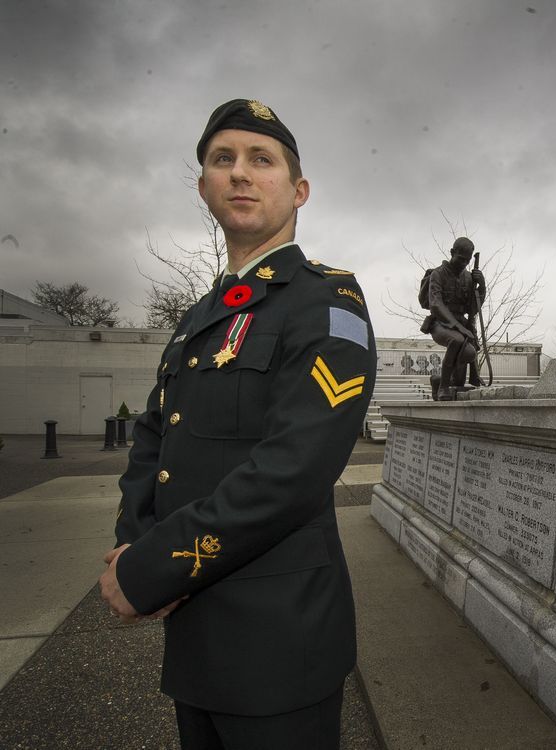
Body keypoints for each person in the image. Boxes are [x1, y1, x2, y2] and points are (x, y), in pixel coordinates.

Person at [99, 98, 376, 749]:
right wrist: (130, 540)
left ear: (298, 189)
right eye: (223, 160)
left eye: (262, 159)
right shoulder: (203, 314)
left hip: (279, 644)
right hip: (195, 635)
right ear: (204, 188)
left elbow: (295, 471)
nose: (241, 174)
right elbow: (154, 439)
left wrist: (153, 569)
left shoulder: (326, 299)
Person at [421, 237, 486, 400]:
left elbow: (472, 309)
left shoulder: (468, 278)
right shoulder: (438, 274)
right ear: (452, 253)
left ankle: (439, 380)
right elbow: (435, 304)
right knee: (456, 340)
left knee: (469, 355)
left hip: (461, 325)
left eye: (467, 260)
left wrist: (482, 286)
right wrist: (458, 326)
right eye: (460, 259)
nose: (464, 263)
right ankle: (443, 387)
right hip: (440, 323)